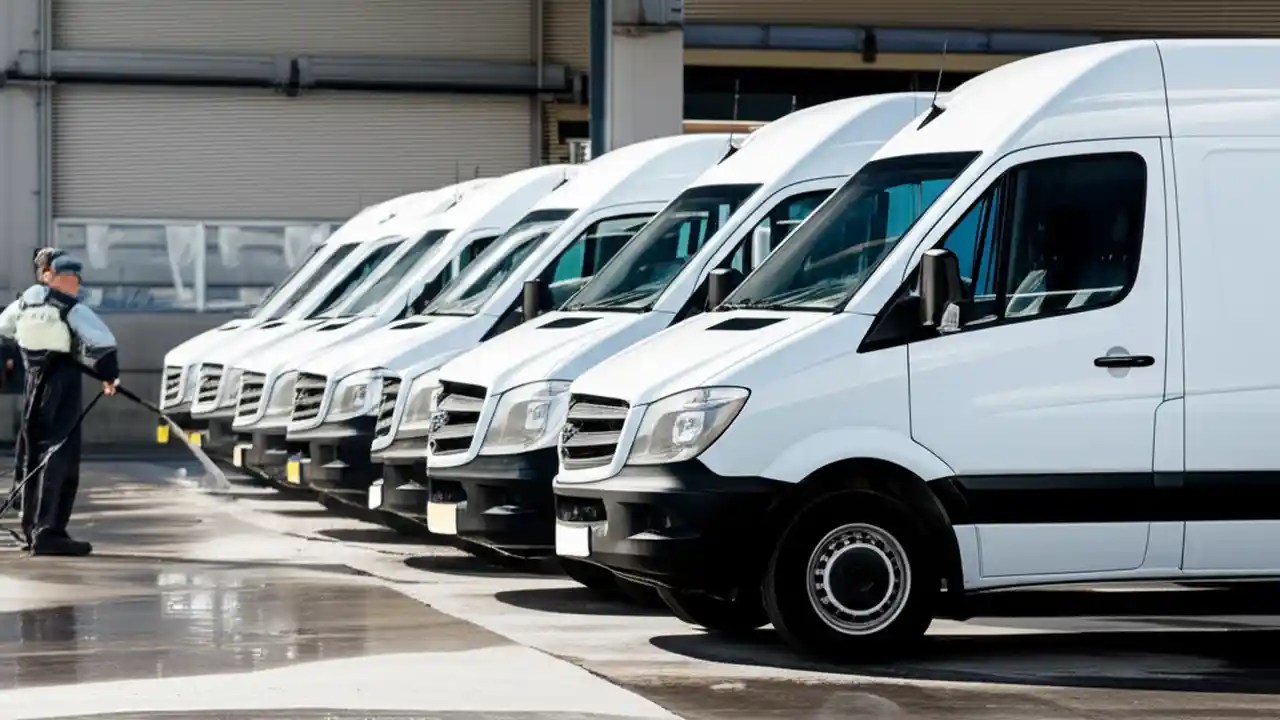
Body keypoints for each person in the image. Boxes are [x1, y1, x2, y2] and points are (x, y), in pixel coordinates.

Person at [0, 255, 119, 556]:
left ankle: (32, 529)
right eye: (71, 278)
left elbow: (3, 331)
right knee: (60, 453)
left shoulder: (22, 305)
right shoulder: (71, 308)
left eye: (76, 280)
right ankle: (49, 532)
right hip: (61, 386)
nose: (75, 285)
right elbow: (103, 343)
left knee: (32, 455)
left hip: (32, 386)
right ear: (50, 276)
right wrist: (109, 376)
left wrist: (12, 359)